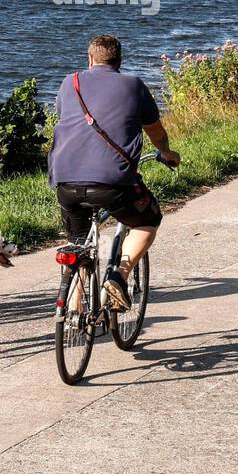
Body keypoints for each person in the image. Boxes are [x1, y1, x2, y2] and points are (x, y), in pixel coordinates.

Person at [48, 35, 179, 311]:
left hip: (65, 181)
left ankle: (74, 308)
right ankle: (119, 274)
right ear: (119, 61)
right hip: (114, 184)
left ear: (90, 59)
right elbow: (154, 130)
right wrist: (167, 153)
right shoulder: (133, 85)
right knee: (149, 219)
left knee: (78, 242)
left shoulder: (69, 82)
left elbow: (67, 119)